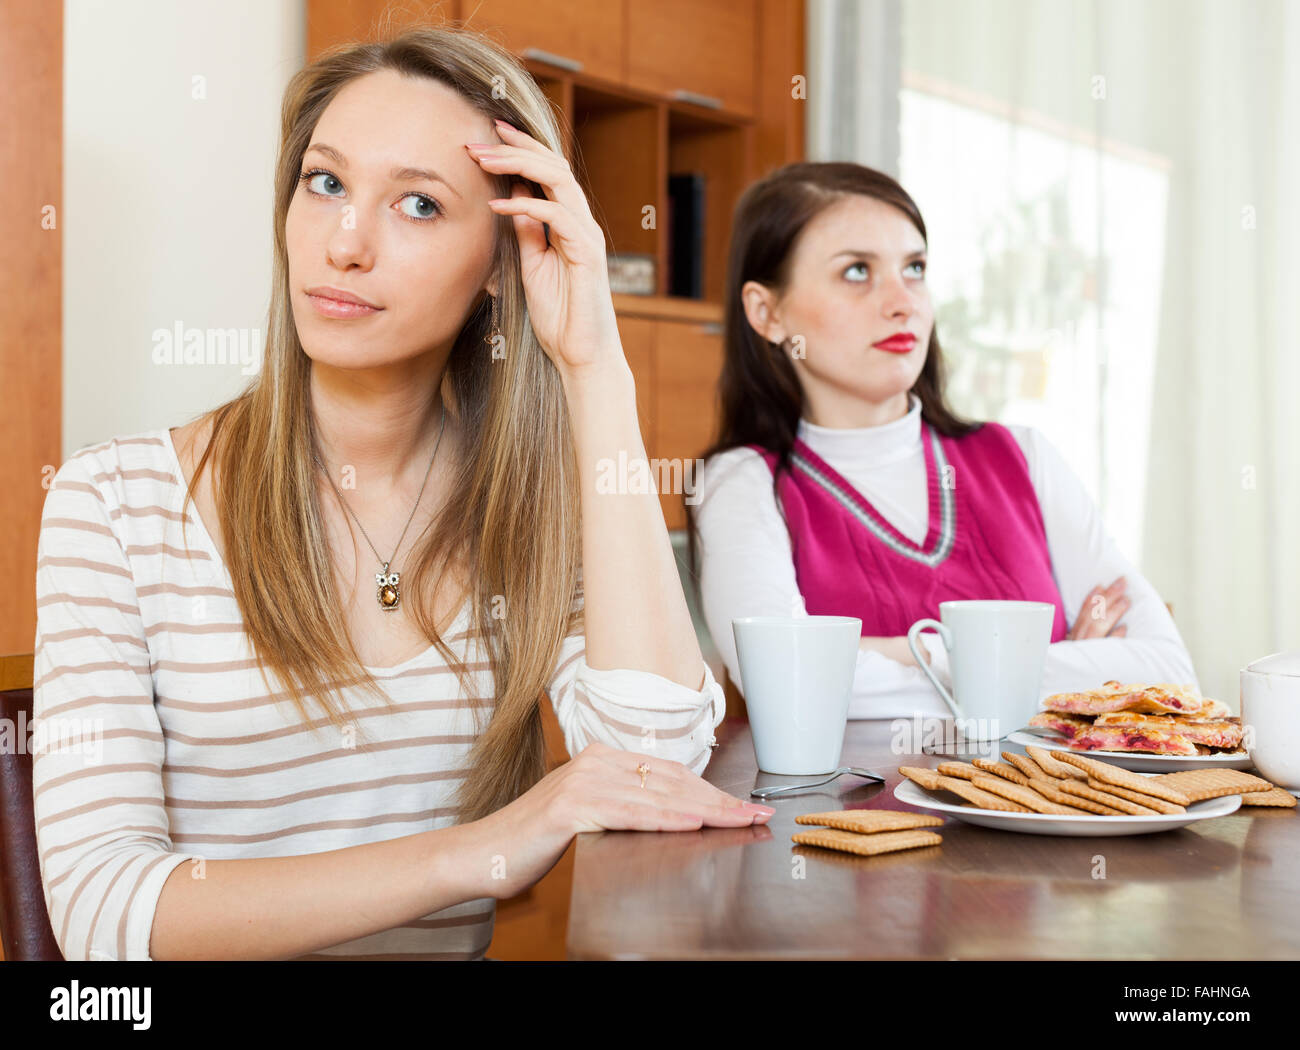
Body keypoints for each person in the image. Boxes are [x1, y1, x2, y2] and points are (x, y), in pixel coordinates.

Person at [32, 25, 775, 963]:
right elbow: (104, 913)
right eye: (326, 182)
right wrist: (484, 853)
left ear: (505, 263)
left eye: (418, 205)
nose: (346, 243)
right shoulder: (114, 504)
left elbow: (652, 771)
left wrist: (596, 366)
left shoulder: (528, 510)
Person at [690, 162, 1197, 721]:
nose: (902, 301)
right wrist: (1065, 667)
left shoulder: (1022, 455)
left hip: (1055, 808)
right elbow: (783, 685)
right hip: (861, 809)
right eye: (857, 271)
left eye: (914, 268)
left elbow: (1167, 672)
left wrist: (917, 652)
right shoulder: (743, 484)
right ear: (768, 312)